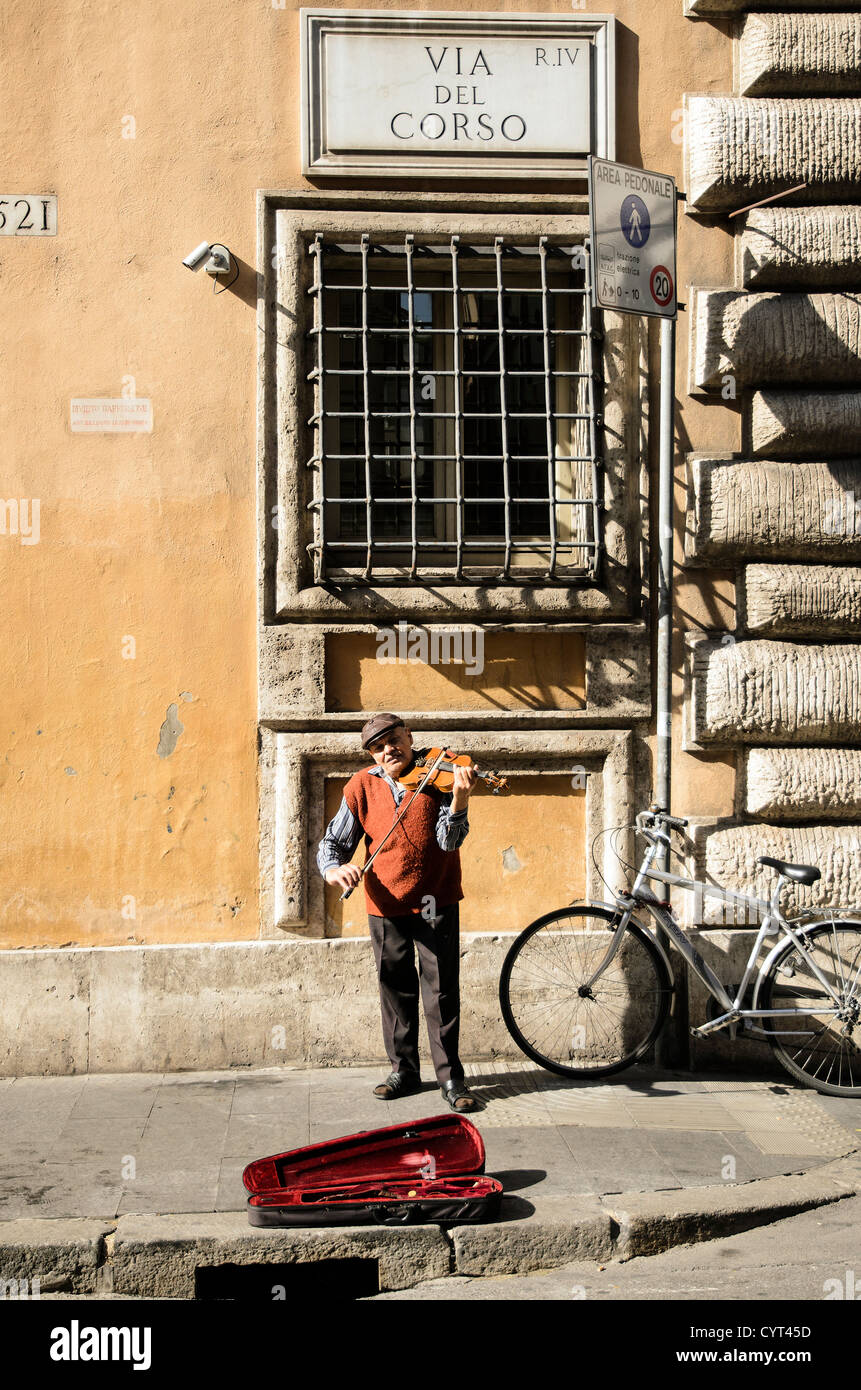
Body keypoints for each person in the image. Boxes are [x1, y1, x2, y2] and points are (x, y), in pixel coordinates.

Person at [317, 714, 479, 1113]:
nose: (389, 749)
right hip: (384, 904)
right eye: (378, 746)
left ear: (409, 736)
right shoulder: (361, 785)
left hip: (435, 902)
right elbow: (334, 843)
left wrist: (458, 799)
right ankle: (404, 1071)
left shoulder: (440, 775)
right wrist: (335, 869)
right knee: (394, 988)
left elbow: (448, 840)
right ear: (372, 754)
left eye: (394, 739)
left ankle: (450, 1077)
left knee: (441, 992)